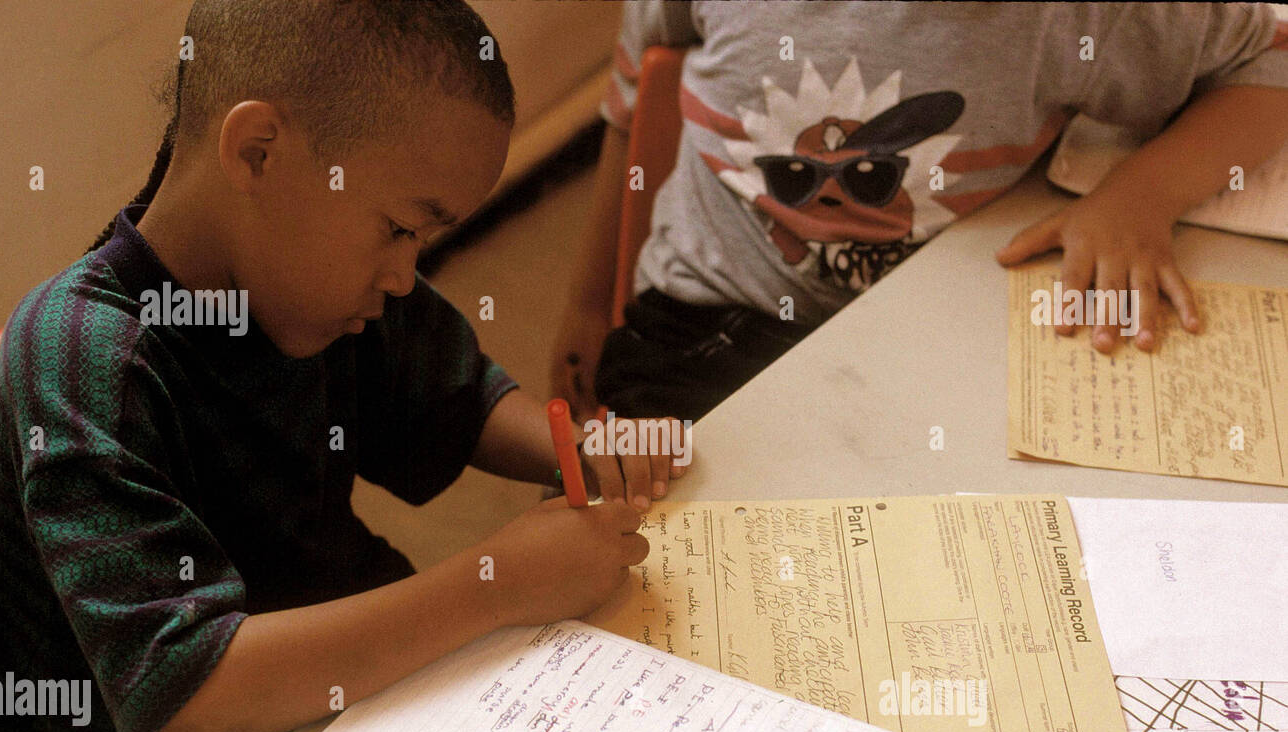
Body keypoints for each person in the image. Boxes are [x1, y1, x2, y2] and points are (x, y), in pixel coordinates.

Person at [0, 0, 684, 732]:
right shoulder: (85, 359)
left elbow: (459, 401)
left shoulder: (314, 284)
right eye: (400, 227)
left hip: (358, 704)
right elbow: (188, 702)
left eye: (429, 240)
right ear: (259, 152)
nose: (405, 274)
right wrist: (495, 582)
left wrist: (576, 453)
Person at [552, 1, 1288, 421]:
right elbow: (637, 101)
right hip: (701, 330)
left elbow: (1271, 62)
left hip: (941, 344)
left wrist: (1142, 193)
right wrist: (587, 306)